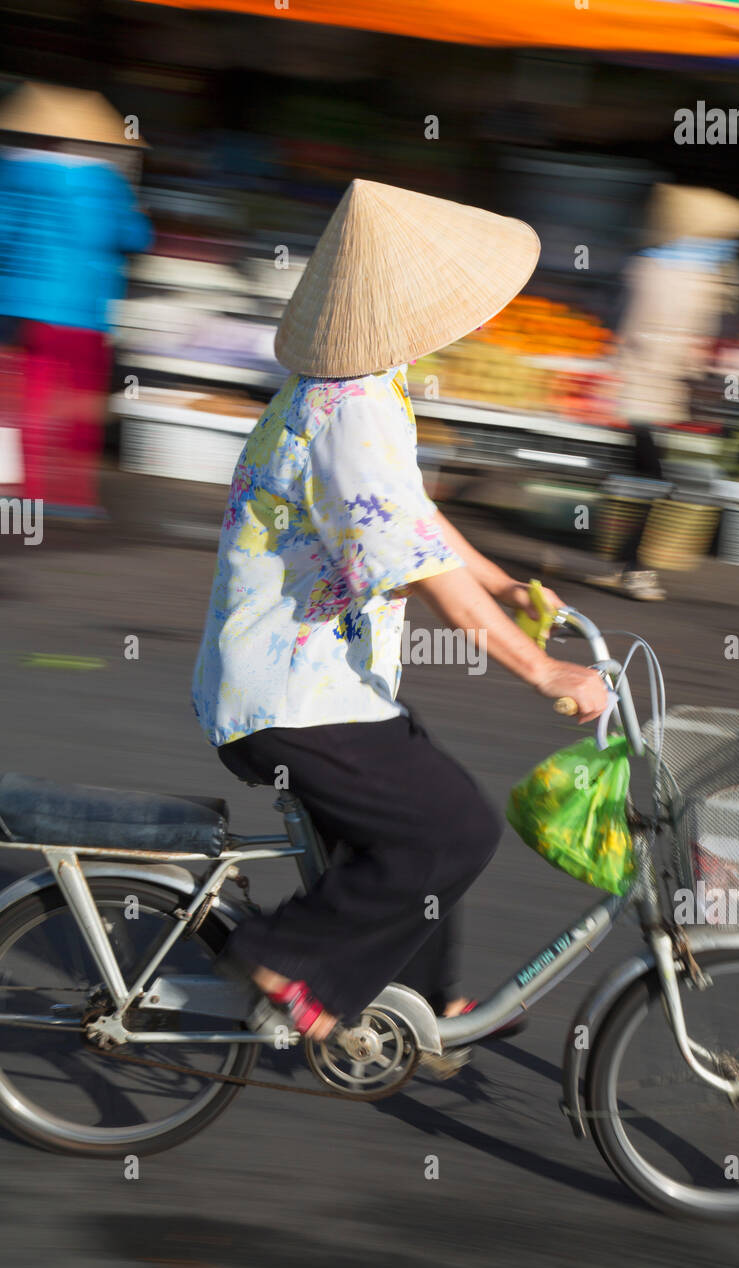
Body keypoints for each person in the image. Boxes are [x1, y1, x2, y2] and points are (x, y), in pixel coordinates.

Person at [191, 179, 608, 1044]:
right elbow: (416, 564)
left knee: (424, 803)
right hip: (294, 698)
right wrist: (542, 672)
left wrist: (497, 579)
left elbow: (412, 518)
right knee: (452, 829)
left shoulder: (349, 387)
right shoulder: (353, 413)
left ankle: (423, 1004)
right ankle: (281, 956)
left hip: (310, 685)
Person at [591, 183, 739, 601]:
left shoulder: (650, 269)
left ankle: (633, 569)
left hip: (640, 390)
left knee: (643, 476)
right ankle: (632, 567)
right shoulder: (706, 274)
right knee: (647, 476)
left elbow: (627, 330)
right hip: (667, 392)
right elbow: (701, 335)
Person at [0, 83, 152, 518]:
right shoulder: (107, 181)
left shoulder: (10, 171)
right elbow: (135, 237)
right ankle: (70, 494)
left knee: (24, 395)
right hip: (85, 311)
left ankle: (23, 488)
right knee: (79, 400)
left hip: (18, 307)